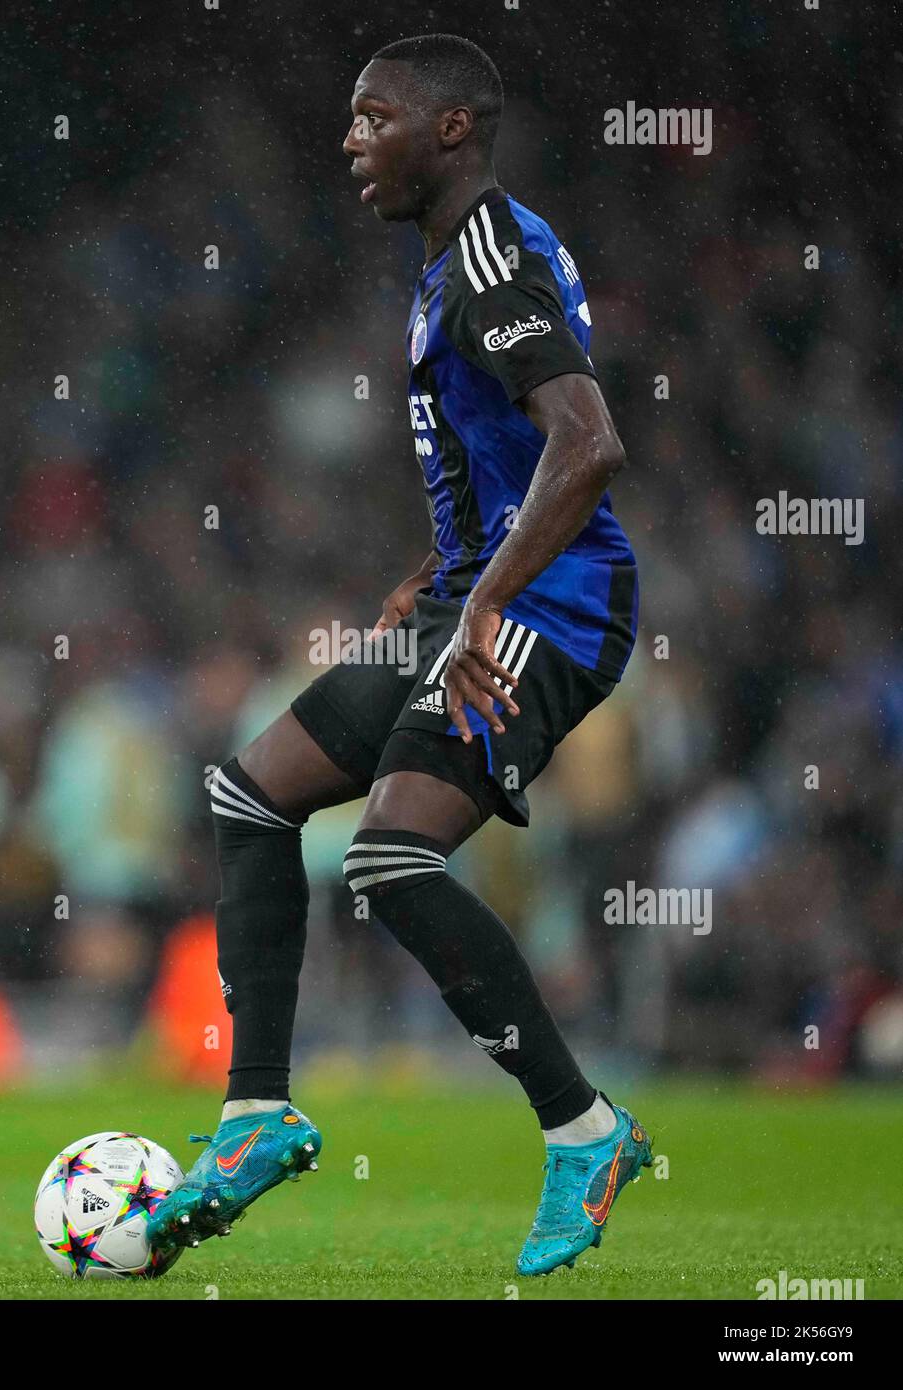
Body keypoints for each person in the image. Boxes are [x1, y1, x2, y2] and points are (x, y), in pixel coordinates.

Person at [150, 32, 652, 1276]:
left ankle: (584, 1130)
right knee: (249, 793)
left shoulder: (487, 259)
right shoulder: (451, 260)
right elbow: (505, 448)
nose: (348, 139)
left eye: (373, 116)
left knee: (386, 855)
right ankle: (256, 1111)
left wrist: (484, 597)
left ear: (452, 130)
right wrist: (446, 565)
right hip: (477, 596)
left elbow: (586, 443)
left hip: (553, 608)